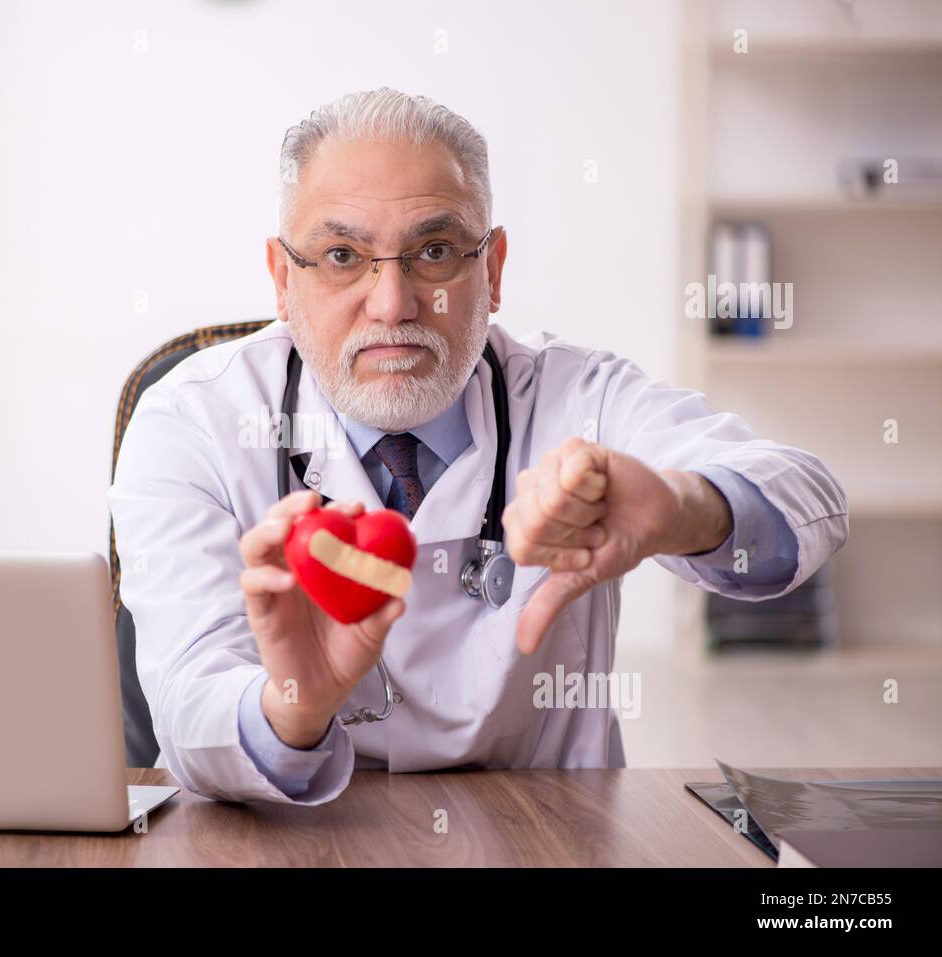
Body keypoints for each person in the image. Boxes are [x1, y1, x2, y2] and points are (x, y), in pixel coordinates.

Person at [107, 87, 847, 805]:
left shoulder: (577, 397)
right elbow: (185, 700)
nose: (393, 304)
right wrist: (292, 706)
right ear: (281, 279)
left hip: (550, 840)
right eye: (341, 255)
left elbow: (805, 496)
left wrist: (680, 505)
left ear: (491, 271)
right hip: (287, 840)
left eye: (433, 250)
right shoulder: (194, 419)